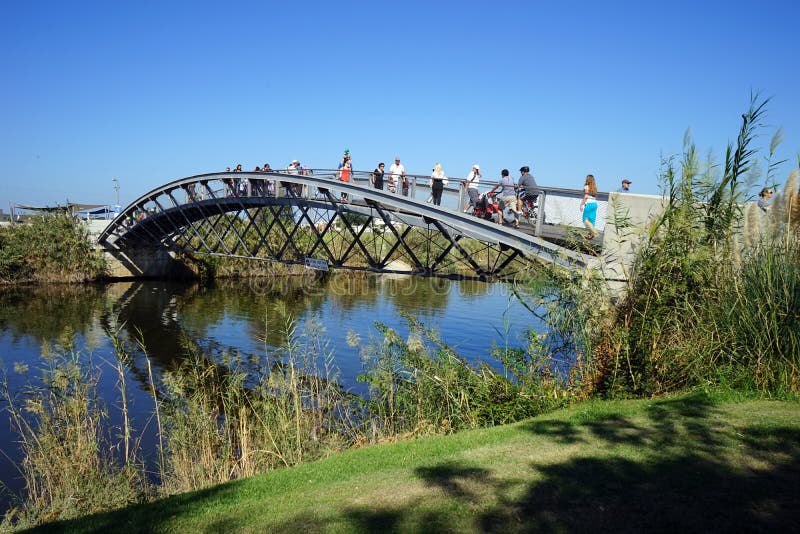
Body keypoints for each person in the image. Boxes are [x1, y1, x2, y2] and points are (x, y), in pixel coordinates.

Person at [581, 174, 599, 239]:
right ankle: (590, 235)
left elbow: (586, 197)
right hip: (594, 204)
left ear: (587, 179)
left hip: (588, 204)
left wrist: (581, 204)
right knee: (592, 220)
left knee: (585, 220)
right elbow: (595, 197)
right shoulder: (594, 188)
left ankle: (594, 233)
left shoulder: (586, 186)